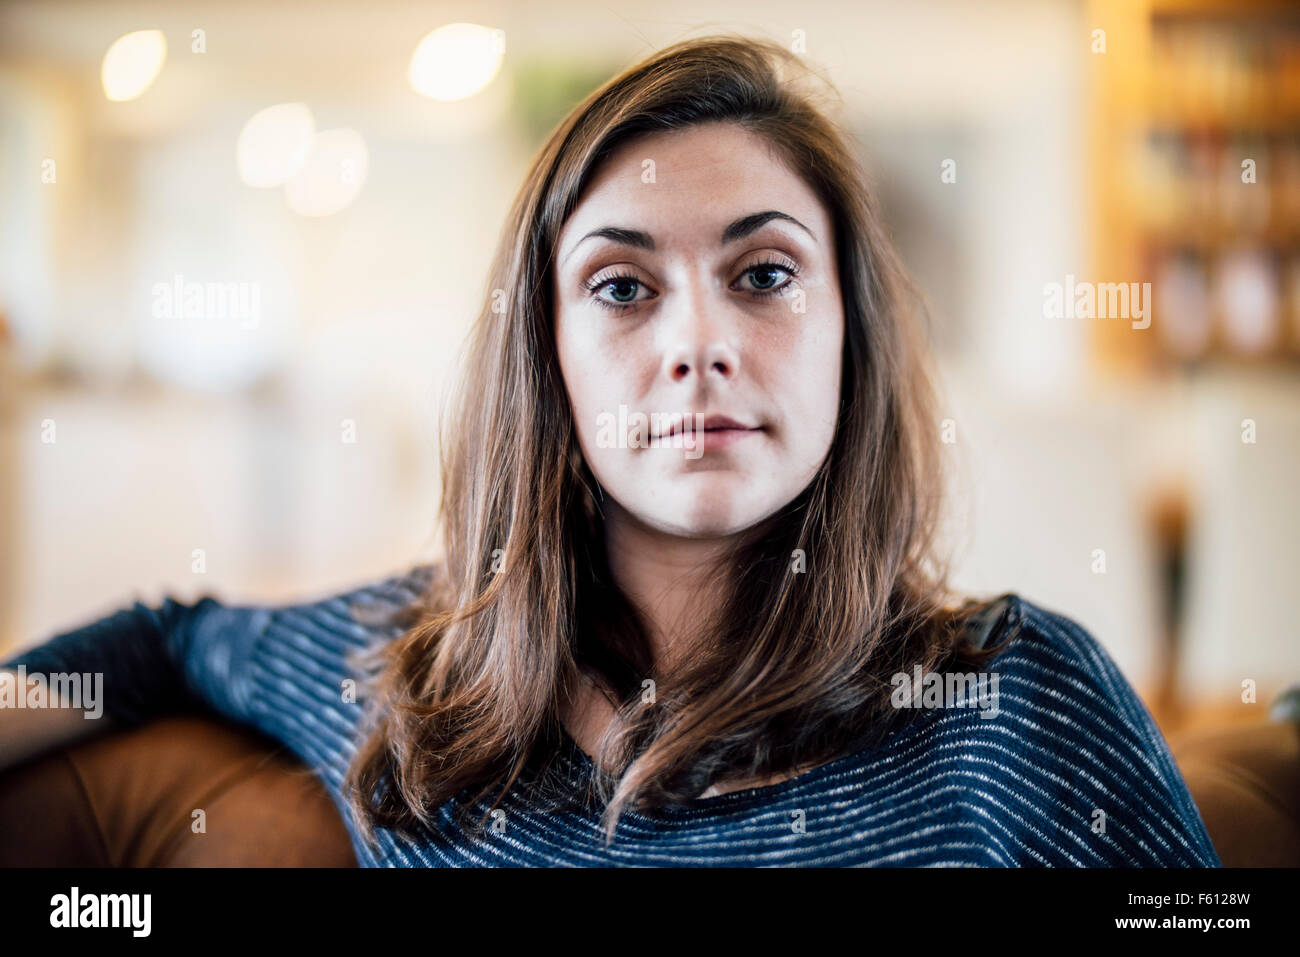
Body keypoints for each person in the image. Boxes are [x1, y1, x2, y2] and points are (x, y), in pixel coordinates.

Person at [0, 35, 1219, 867]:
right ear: (548, 360)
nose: (699, 342)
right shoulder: (412, 677)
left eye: (765, 274)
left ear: (850, 330)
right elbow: (161, 638)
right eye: (623, 286)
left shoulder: (1021, 700)